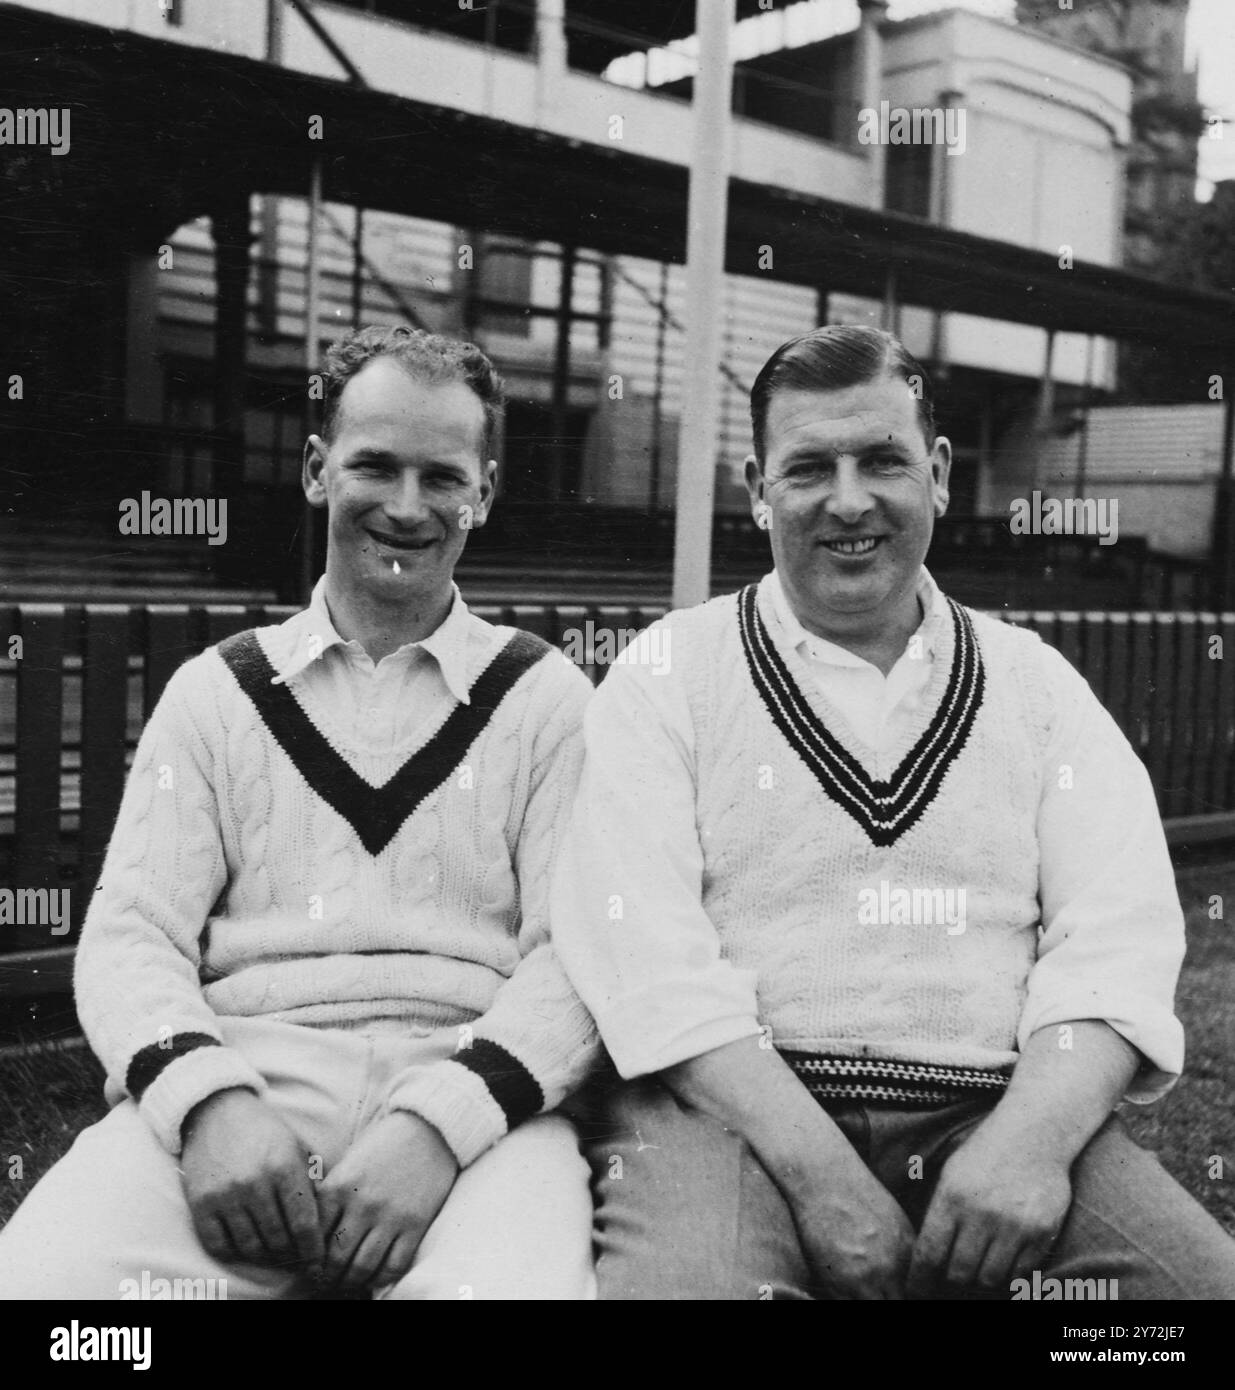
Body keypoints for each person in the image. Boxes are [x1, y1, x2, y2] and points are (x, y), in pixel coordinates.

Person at [552, 324, 1235, 1301]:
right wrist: (823, 1179)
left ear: (939, 471)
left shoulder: (1035, 685)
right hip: (725, 1114)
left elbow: (1114, 942)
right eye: (806, 468)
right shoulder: (666, 673)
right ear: (755, 487)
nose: (847, 499)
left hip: (986, 1108)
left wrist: (1027, 1149)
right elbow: (644, 964)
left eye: (880, 459)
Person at [0, 325, 598, 1300]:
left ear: (483, 493)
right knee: (44, 1292)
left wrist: (437, 1126)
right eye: (374, 466)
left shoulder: (542, 697)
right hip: (251, 1073)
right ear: (318, 471)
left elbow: (577, 959)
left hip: (475, 1096)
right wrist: (206, 1105)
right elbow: (131, 935)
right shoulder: (220, 691)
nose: (407, 507)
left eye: (442, 477)